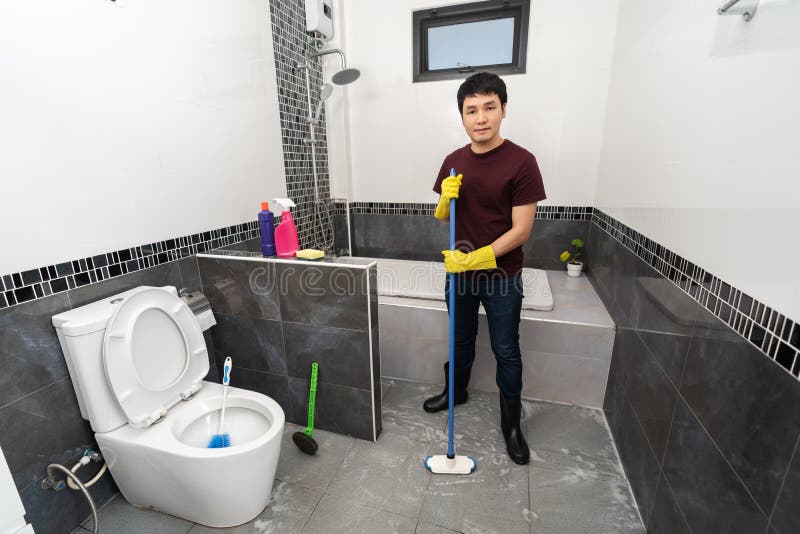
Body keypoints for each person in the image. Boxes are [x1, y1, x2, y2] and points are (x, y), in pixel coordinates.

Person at [424, 72, 546, 465]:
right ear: (461, 115)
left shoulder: (522, 162)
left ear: (503, 109)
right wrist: (444, 199)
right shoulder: (453, 161)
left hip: (502, 278)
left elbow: (522, 230)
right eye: (471, 110)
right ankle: (455, 392)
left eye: (489, 107)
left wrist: (476, 258)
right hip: (458, 277)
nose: (480, 118)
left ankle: (511, 426)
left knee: (506, 350)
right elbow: (444, 220)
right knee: (459, 341)